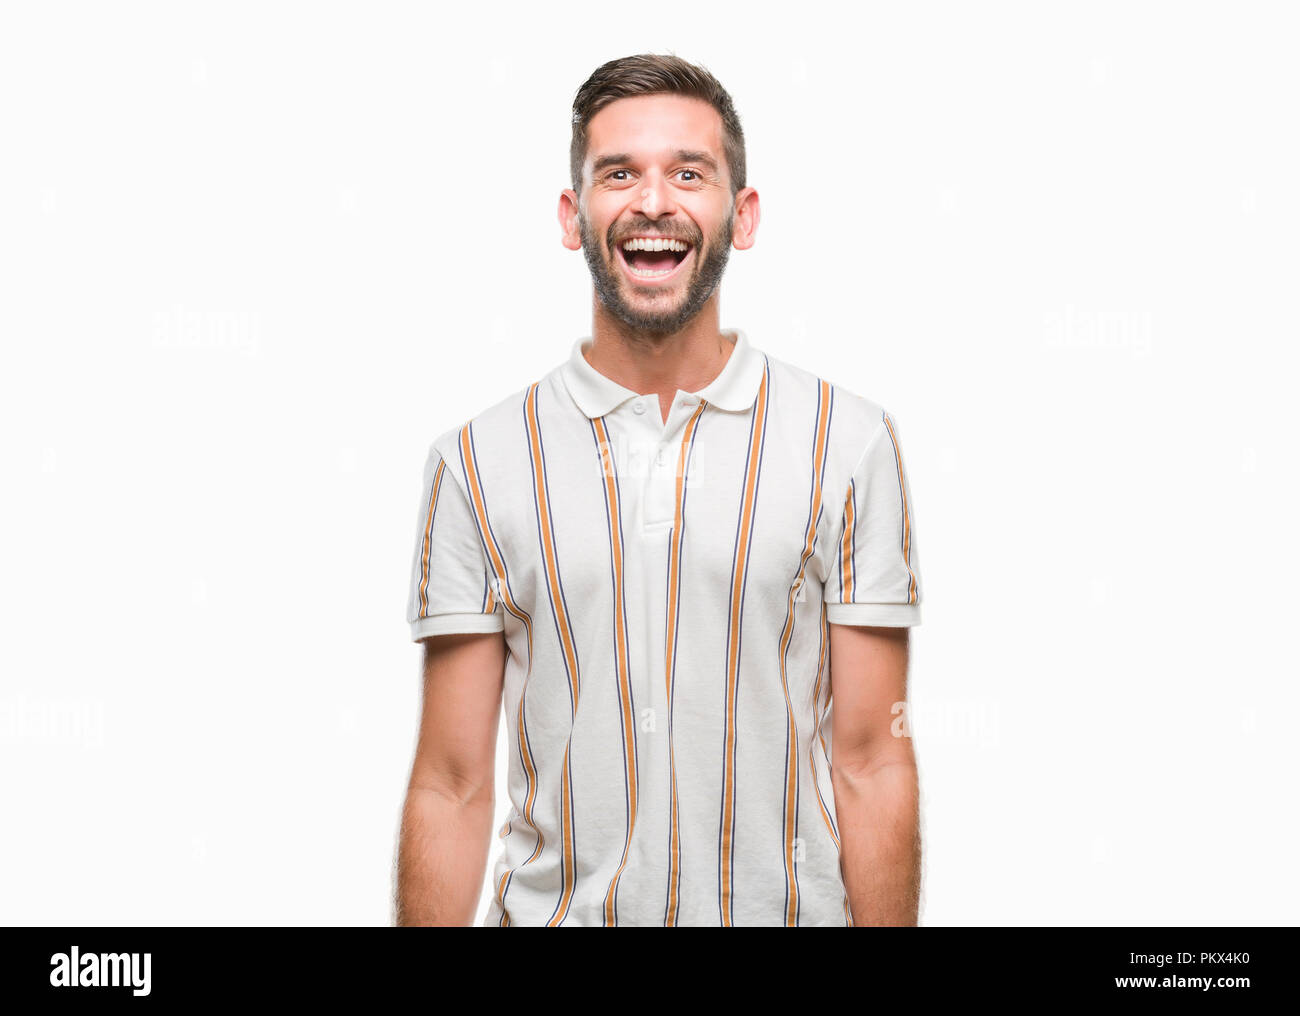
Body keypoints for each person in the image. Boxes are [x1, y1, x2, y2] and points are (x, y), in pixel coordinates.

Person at [396, 53, 923, 927]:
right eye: (618, 174)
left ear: (740, 215)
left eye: (689, 172)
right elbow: (451, 783)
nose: (652, 202)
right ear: (574, 216)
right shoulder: (478, 461)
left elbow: (872, 760)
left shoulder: (848, 442)